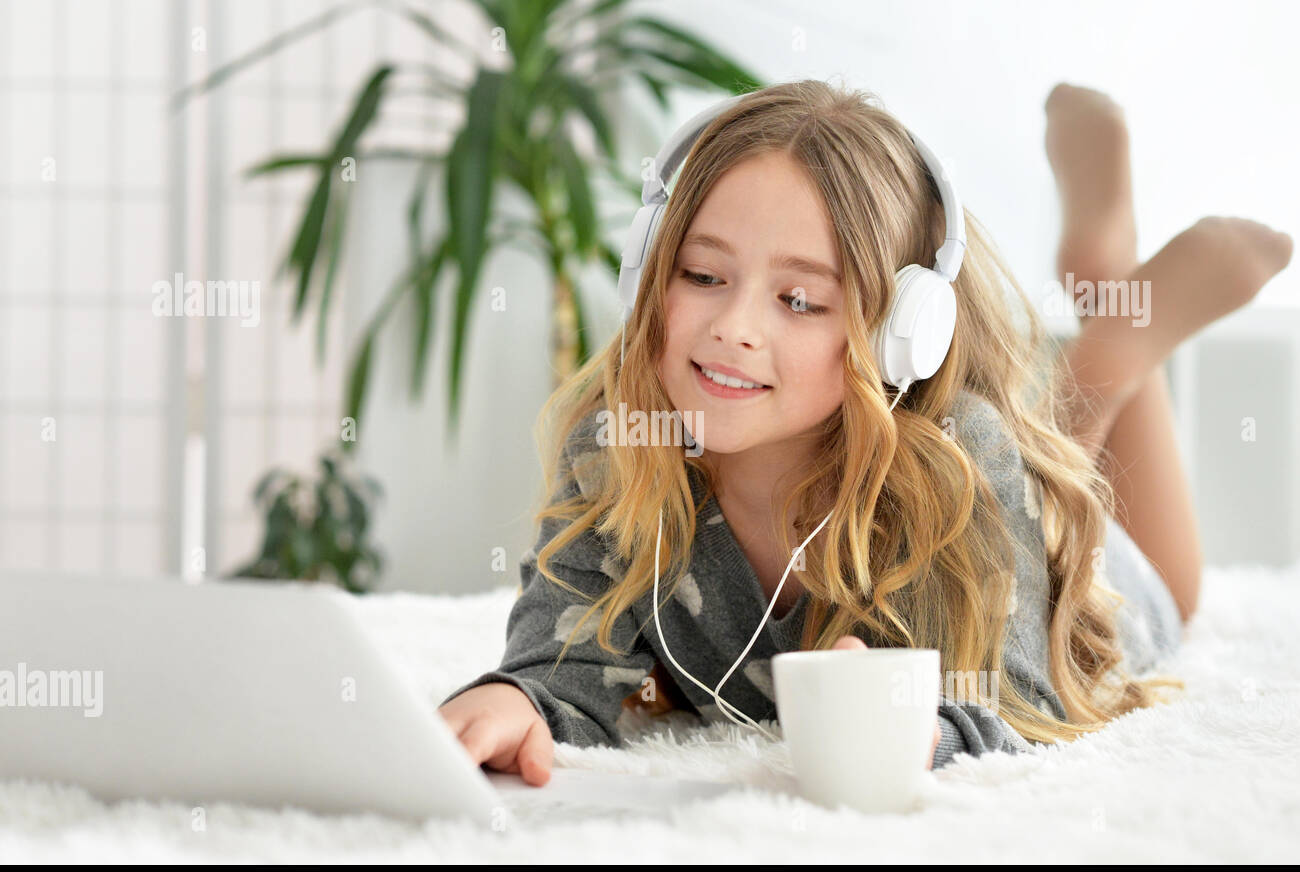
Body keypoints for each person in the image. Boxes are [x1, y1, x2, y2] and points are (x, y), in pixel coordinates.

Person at [438, 80, 1293, 786]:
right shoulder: (618, 441)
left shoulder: (963, 460)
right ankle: (1106, 280)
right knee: (1056, 440)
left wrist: (922, 724)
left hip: (1086, 587)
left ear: (900, 331)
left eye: (799, 300)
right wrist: (520, 699)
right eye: (703, 274)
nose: (734, 326)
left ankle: (1110, 293)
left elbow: (1023, 702)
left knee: (1104, 511)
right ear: (647, 269)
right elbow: (565, 666)